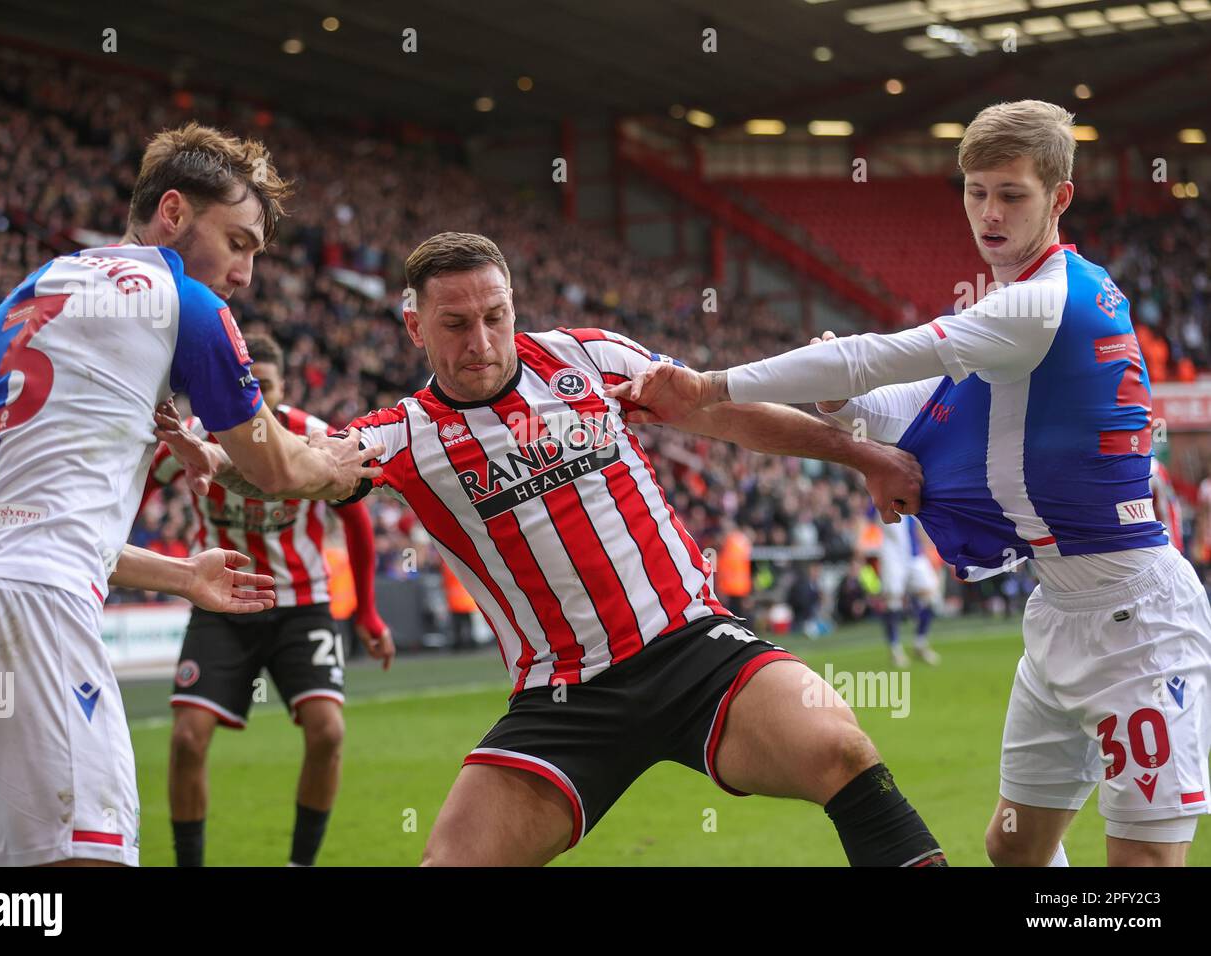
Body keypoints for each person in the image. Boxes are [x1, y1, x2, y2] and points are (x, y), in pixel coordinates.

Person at [162, 231, 947, 866]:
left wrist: (866, 456)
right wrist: (225, 455)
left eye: (495, 316)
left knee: (843, 750)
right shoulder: (403, 435)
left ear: (513, 306)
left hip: (697, 650)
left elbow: (726, 414)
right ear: (414, 327)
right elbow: (307, 466)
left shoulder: (588, 359)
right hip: (564, 702)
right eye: (456, 324)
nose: (482, 341)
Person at [611, 100, 1211, 867]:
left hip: (1138, 621)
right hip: (1060, 612)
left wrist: (708, 386)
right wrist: (840, 400)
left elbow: (875, 357)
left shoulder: (1043, 302)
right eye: (976, 192)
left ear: (1060, 198)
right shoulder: (1018, 309)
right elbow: (905, 401)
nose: (989, 214)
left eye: (1012, 195)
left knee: (1141, 869)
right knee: (1014, 848)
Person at [0, 123, 378, 868]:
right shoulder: (181, 301)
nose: (247, 274)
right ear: (173, 212)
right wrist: (348, 465)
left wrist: (183, 577)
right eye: (239, 241)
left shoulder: (21, 303)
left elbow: (28, 518)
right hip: (34, 613)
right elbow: (278, 468)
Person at [144, 334, 393, 867]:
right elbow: (143, 485)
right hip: (221, 601)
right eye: (249, 385)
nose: (258, 397)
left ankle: (299, 864)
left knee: (328, 731)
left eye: (269, 387)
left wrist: (368, 611)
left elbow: (357, 523)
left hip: (302, 604)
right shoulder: (194, 437)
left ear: (285, 388)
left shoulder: (314, 437)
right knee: (187, 739)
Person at [874, 511, 941, 668]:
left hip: (914, 554)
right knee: (892, 600)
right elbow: (867, 516)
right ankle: (895, 649)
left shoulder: (911, 491)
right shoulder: (882, 493)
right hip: (892, 555)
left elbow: (918, 521)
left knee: (931, 597)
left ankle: (920, 643)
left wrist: (926, 545)